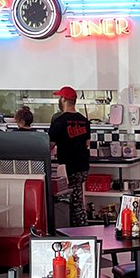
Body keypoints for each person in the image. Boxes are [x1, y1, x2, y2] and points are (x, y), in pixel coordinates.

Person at [49, 86, 90, 227]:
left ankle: (78, 230)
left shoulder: (59, 121)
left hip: (68, 166)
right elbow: (87, 143)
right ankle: (79, 227)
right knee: (76, 198)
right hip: (83, 166)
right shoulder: (84, 120)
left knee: (72, 201)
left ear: (63, 99)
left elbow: (50, 145)